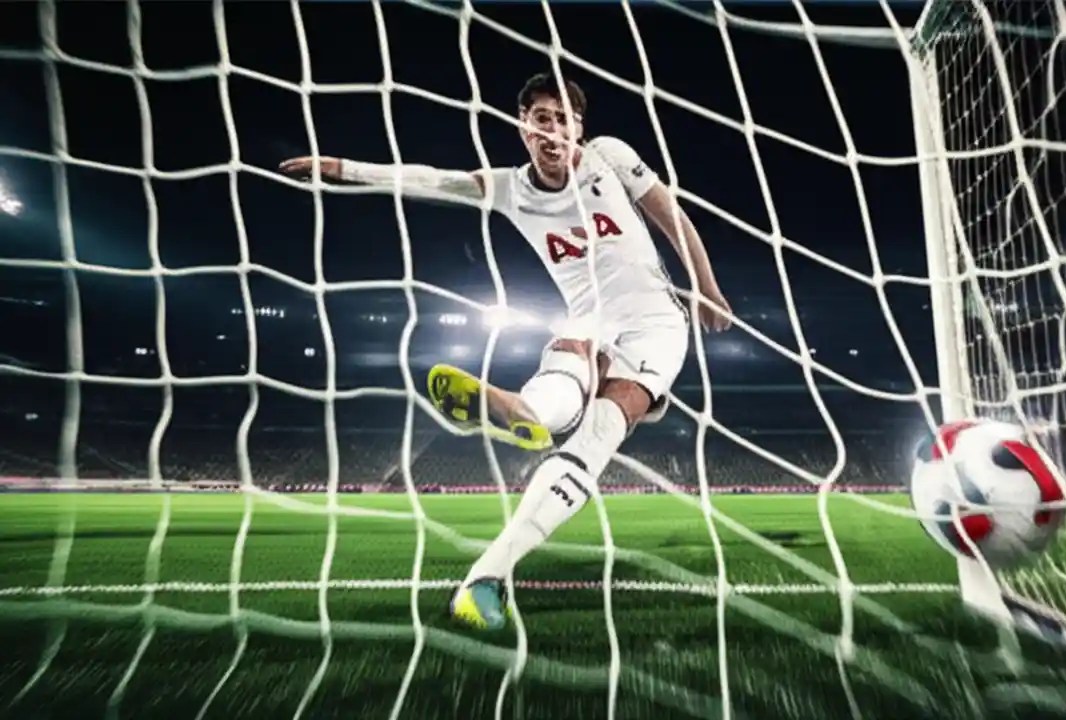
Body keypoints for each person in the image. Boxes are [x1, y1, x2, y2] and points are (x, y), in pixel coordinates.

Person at [279, 71, 732, 630]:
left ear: (579, 128)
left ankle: (521, 425)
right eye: (541, 119)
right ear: (523, 127)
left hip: (655, 324)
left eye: (563, 120)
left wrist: (706, 289)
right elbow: (429, 180)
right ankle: (490, 553)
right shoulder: (508, 188)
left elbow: (672, 217)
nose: (553, 131)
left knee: (598, 432)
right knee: (568, 363)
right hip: (588, 322)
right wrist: (344, 170)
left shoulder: (609, 156)